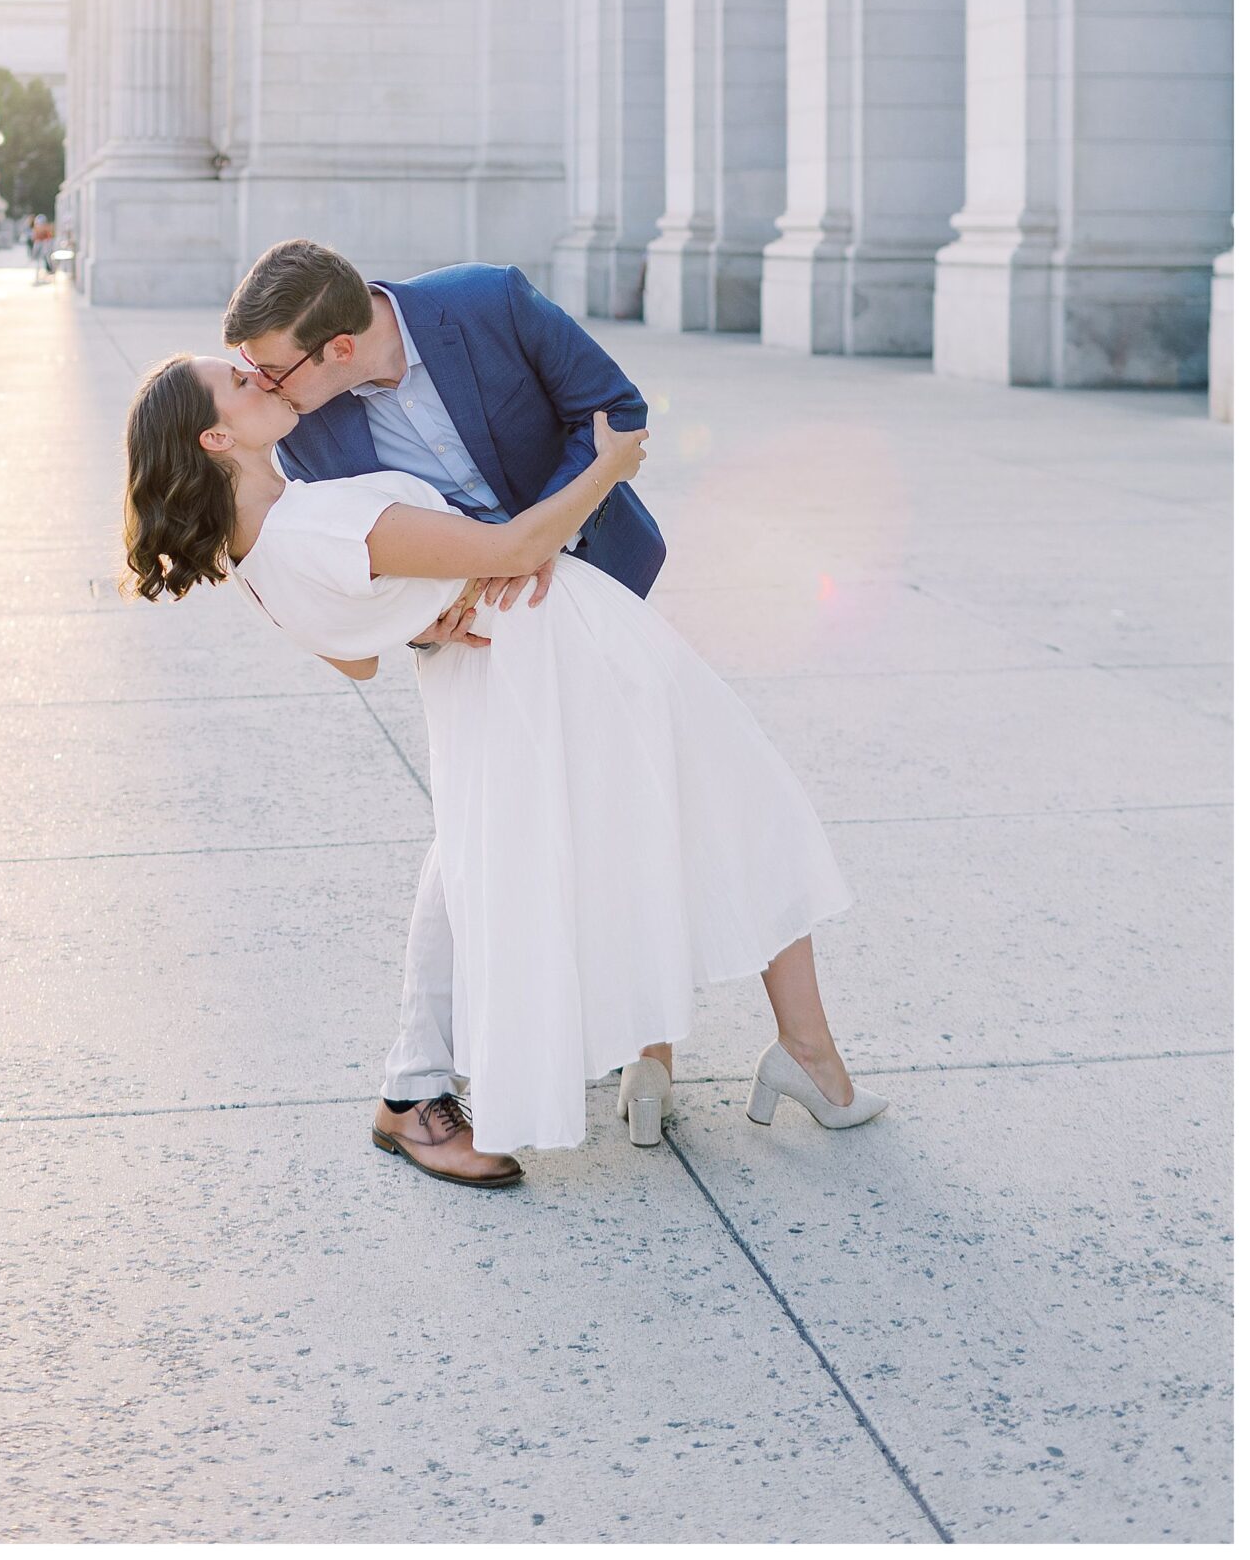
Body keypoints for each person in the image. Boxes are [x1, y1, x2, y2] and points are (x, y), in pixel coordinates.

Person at [122, 353, 887, 1188]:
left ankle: (664, 1053)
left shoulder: (260, 542)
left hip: (512, 667)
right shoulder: (314, 527)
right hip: (551, 652)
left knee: (542, 852)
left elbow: (355, 661)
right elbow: (517, 545)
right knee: (733, 815)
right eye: (235, 383)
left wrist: (422, 614)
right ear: (215, 436)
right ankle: (764, 1054)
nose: (255, 378)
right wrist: (609, 466)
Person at [222, 239, 667, 1181]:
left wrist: (529, 549)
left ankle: (625, 1038)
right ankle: (437, 1078)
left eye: (271, 367)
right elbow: (351, 592)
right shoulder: (298, 427)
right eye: (248, 376)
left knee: (600, 814)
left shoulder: (487, 302)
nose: (259, 382)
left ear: (337, 345)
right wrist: (433, 616)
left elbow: (614, 413)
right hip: (472, 651)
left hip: (597, 589)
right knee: (489, 843)